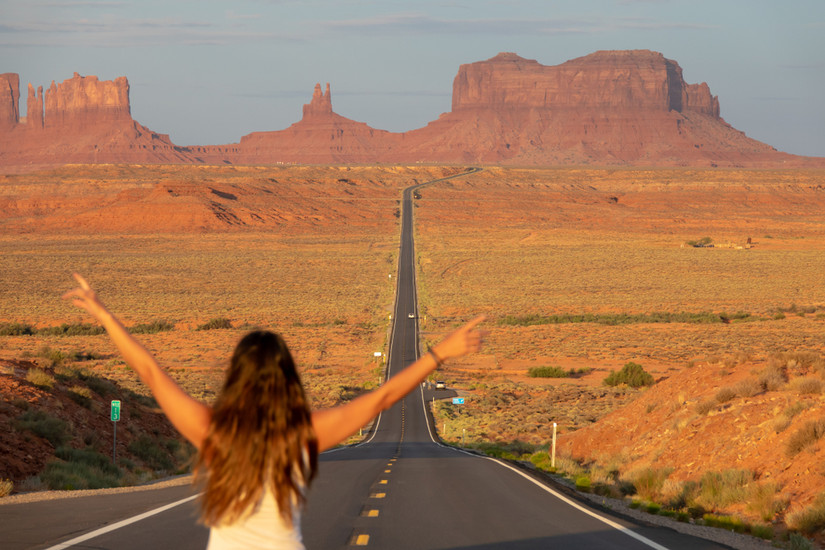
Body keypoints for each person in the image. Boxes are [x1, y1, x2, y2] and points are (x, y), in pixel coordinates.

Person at [63, 273, 486, 549]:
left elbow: (150, 372)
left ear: (235, 376)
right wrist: (439, 352)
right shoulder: (304, 432)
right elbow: (382, 398)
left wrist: (102, 313)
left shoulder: (213, 431)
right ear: (287, 377)